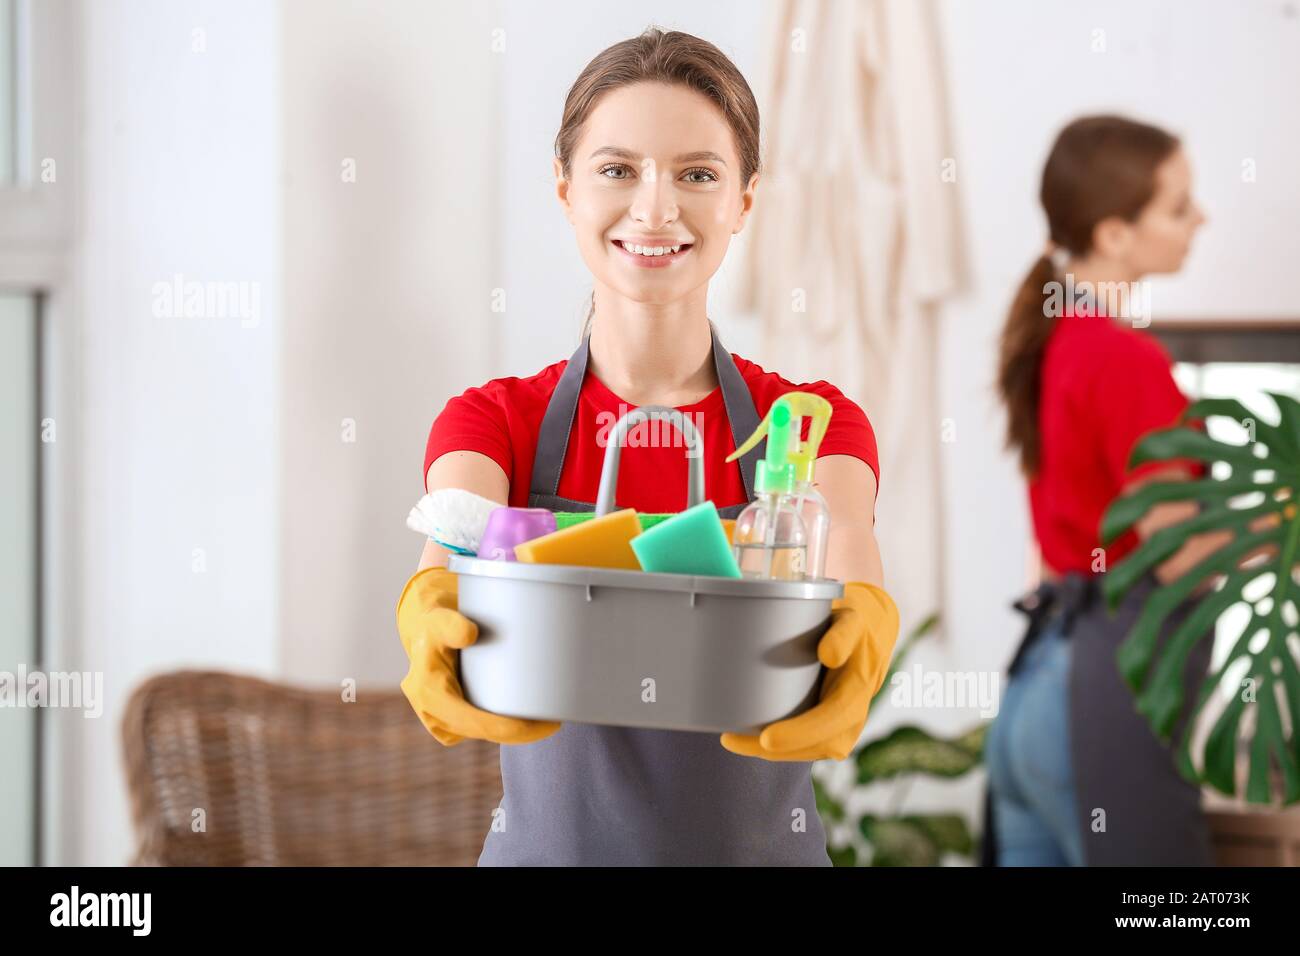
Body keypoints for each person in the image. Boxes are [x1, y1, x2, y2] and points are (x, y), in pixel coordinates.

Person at [394, 28, 900, 866]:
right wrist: (428, 611)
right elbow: (449, 545)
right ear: (565, 189)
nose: (656, 208)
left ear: (744, 200)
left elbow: (847, 549)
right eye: (617, 169)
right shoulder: (495, 424)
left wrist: (864, 621)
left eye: (698, 174)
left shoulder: (808, 425)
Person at [983, 115, 1231, 866]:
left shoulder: (1056, 341)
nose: (1202, 219)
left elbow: (1052, 545)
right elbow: (1179, 555)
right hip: (1107, 705)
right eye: (1179, 206)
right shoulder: (1126, 359)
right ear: (1116, 233)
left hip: (1036, 699)